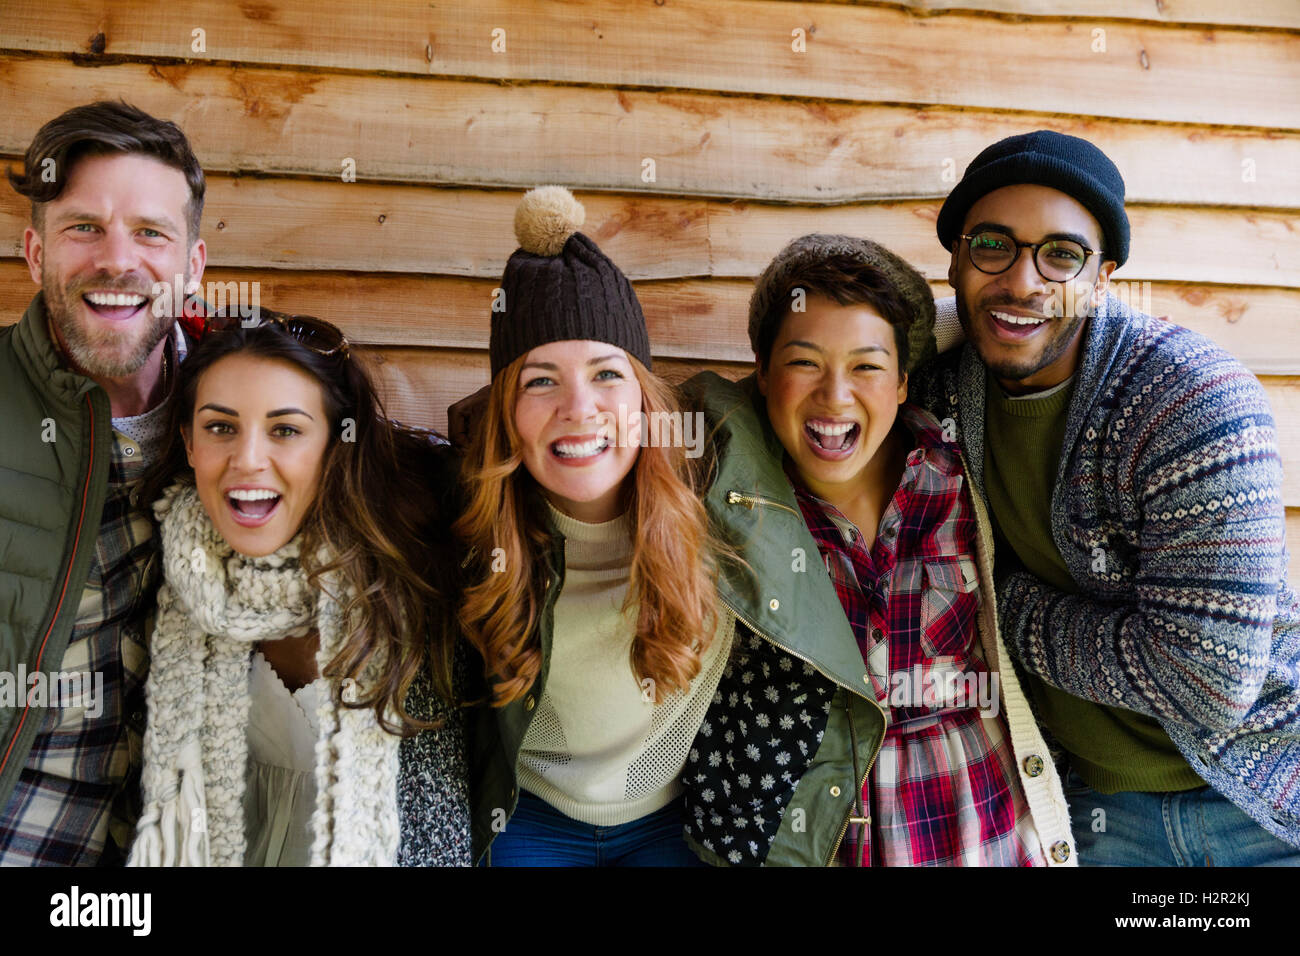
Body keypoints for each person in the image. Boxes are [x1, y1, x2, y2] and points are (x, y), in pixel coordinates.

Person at [910, 129, 1300, 865]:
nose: (1023, 281)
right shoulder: (941, 391)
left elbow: (1206, 683)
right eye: (993, 244)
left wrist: (997, 605)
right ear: (956, 258)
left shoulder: (1187, 398)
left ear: (1102, 277)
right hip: (1082, 811)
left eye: (1061, 254)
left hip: (1265, 793)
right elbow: (838, 346)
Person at [678, 236, 1075, 865]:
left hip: (982, 827)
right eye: (804, 362)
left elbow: (975, 325)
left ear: (902, 382)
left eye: (866, 366)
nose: (835, 396)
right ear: (761, 372)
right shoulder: (738, 490)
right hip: (824, 833)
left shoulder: (958, 471)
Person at [125, 310, 470, 866]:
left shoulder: (411, 581)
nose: (248, 460)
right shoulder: (168, 577)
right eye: (220, 427)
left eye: (285, 429)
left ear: (336, 445)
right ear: (189, 442)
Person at [461, 186, 731, 866]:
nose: (579, 408)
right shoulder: (472, 538)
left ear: (645, 400)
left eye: (607, 374)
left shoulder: (729, 501)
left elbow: (839, 371)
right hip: (533, 814)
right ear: (507, 416)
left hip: (673, 817)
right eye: (540, 381)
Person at [0, 101, 207, 865]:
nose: (118, 260)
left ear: (193, 265)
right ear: (35, 254)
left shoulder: (241, 413)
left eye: (151, 233)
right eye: (83, 227)